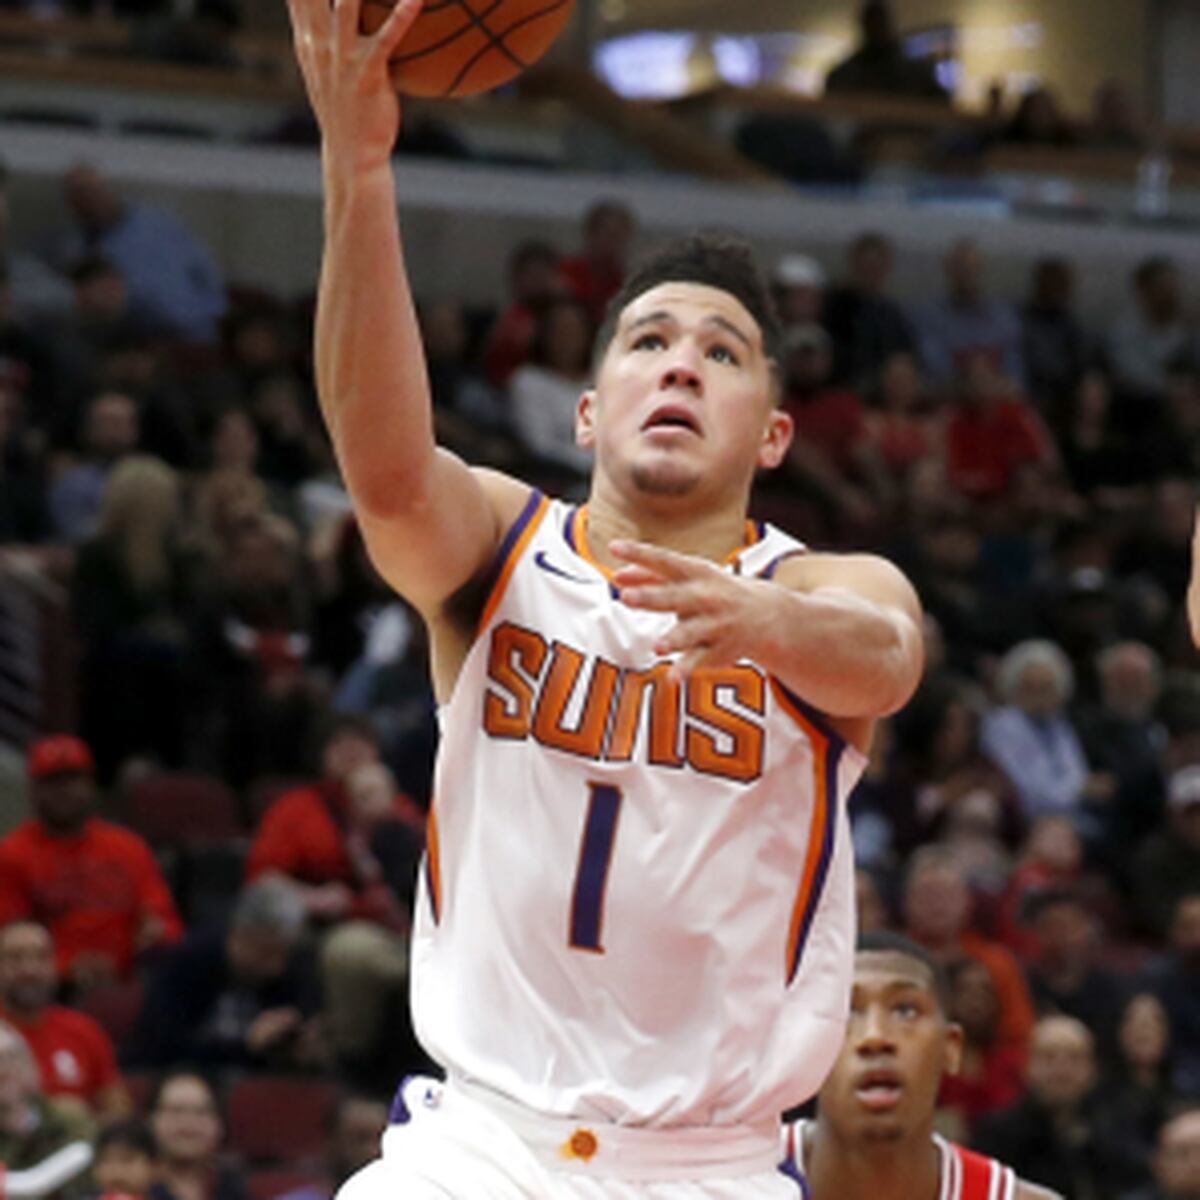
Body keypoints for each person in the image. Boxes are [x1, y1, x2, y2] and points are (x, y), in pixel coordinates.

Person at [286, 0, 926, 1192]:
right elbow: (385, 474)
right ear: (588, 413)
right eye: (648, 342)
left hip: (708, 1167)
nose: (682, 361)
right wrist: (358, 168)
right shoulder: (501, 547)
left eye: (723, 353)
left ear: (774, 434)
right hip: (480, 1151)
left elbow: (885, 658)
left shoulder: (818, 588)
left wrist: (763, 621)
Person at [779, 932, 1059, 1199]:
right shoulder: (753, 1177)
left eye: (906, 1010)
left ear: (951, 1048)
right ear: (805, 1046)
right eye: (846, 1010)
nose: (876, 1037)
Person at [0, 735, 183, 990]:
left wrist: (156, 933)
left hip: (128, 981)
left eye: (73, 779)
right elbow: (7, 940)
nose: (64, 791)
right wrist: (65, 968)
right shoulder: (12, 853)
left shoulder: (128, 847)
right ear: (34, 790)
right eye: (53, 781)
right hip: (48, 989)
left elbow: (167, 924)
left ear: (91, 784)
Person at [0, 919, 132, 1118]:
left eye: (41, 957)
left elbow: (118, 1109)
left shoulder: (84, 1030)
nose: (29, 970)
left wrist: (79, 1119)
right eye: (15, 958)